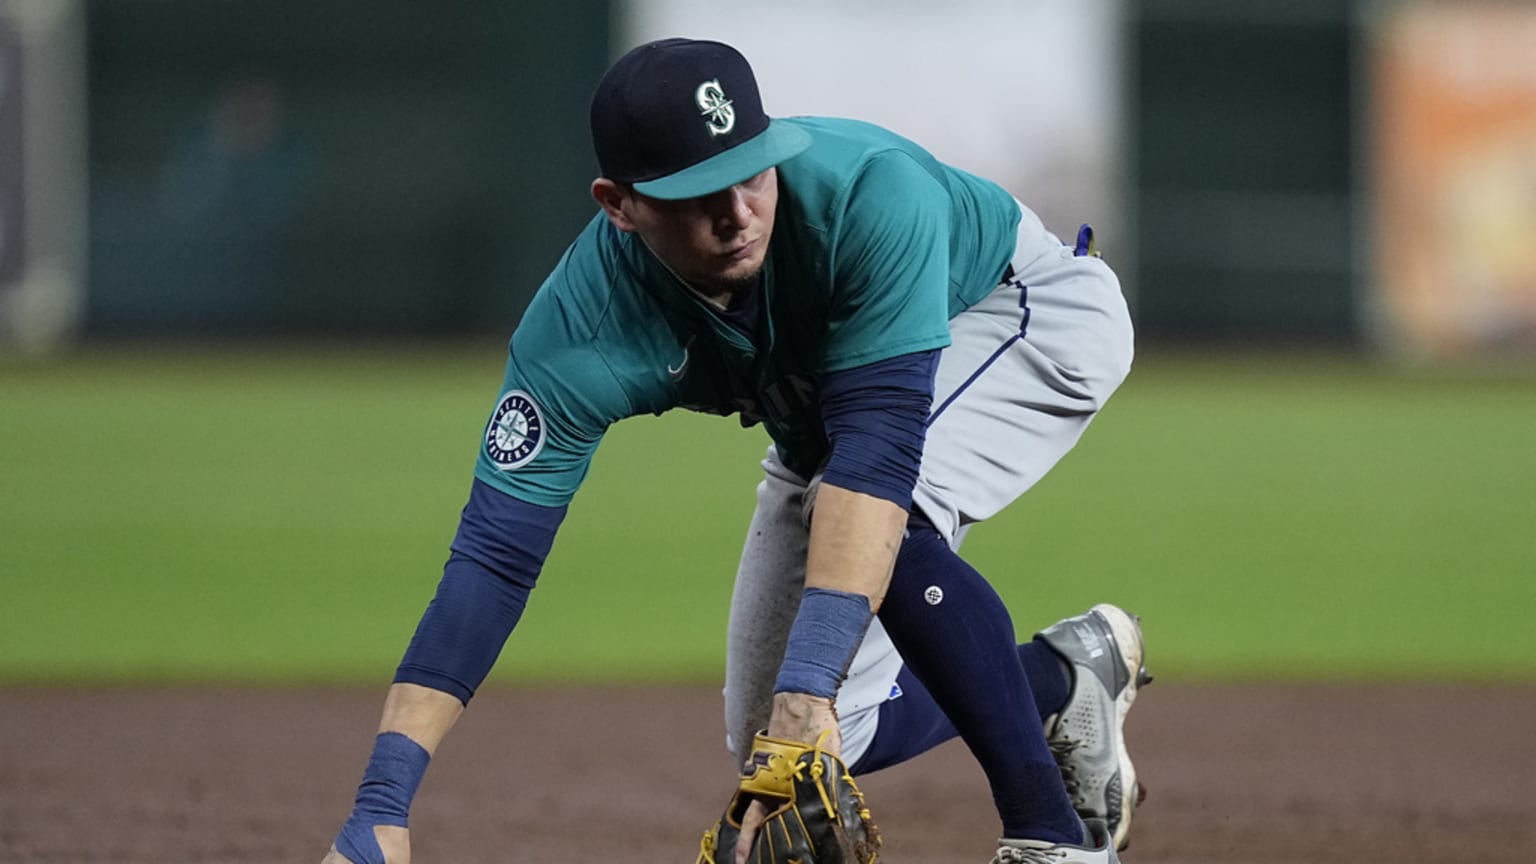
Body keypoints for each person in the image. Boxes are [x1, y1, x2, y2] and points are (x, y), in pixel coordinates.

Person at [320, 37, 1147, 864]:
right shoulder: (580, 328)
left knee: (864, 557)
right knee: (797, 733)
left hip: (1020, 312)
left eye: (752, 172)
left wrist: (805, 693)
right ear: (619, 203)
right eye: (698, 194)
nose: (739, 212)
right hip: (829, 416)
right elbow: (493, 561)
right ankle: (1060, 680)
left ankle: (1051, 838)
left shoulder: (868, 195)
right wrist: (381, 806)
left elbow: (878, 466)